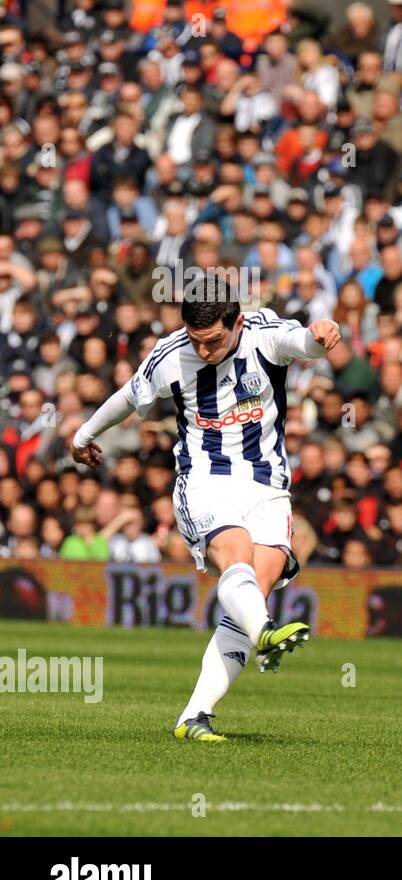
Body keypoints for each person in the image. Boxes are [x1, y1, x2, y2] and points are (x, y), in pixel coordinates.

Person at [70, 278, 342, 743]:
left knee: (262, 577)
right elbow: (129, 398)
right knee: (236, 555)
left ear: (236, 321)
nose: (205, 349)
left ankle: (194, 716)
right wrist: (83, 436)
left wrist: (321, 334)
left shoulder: (262, 333)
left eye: (214, 339)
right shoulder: (171, 354)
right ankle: (265, 632)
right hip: (204, 479)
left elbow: (302, 343)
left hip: (267, 483)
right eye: (197, 340)